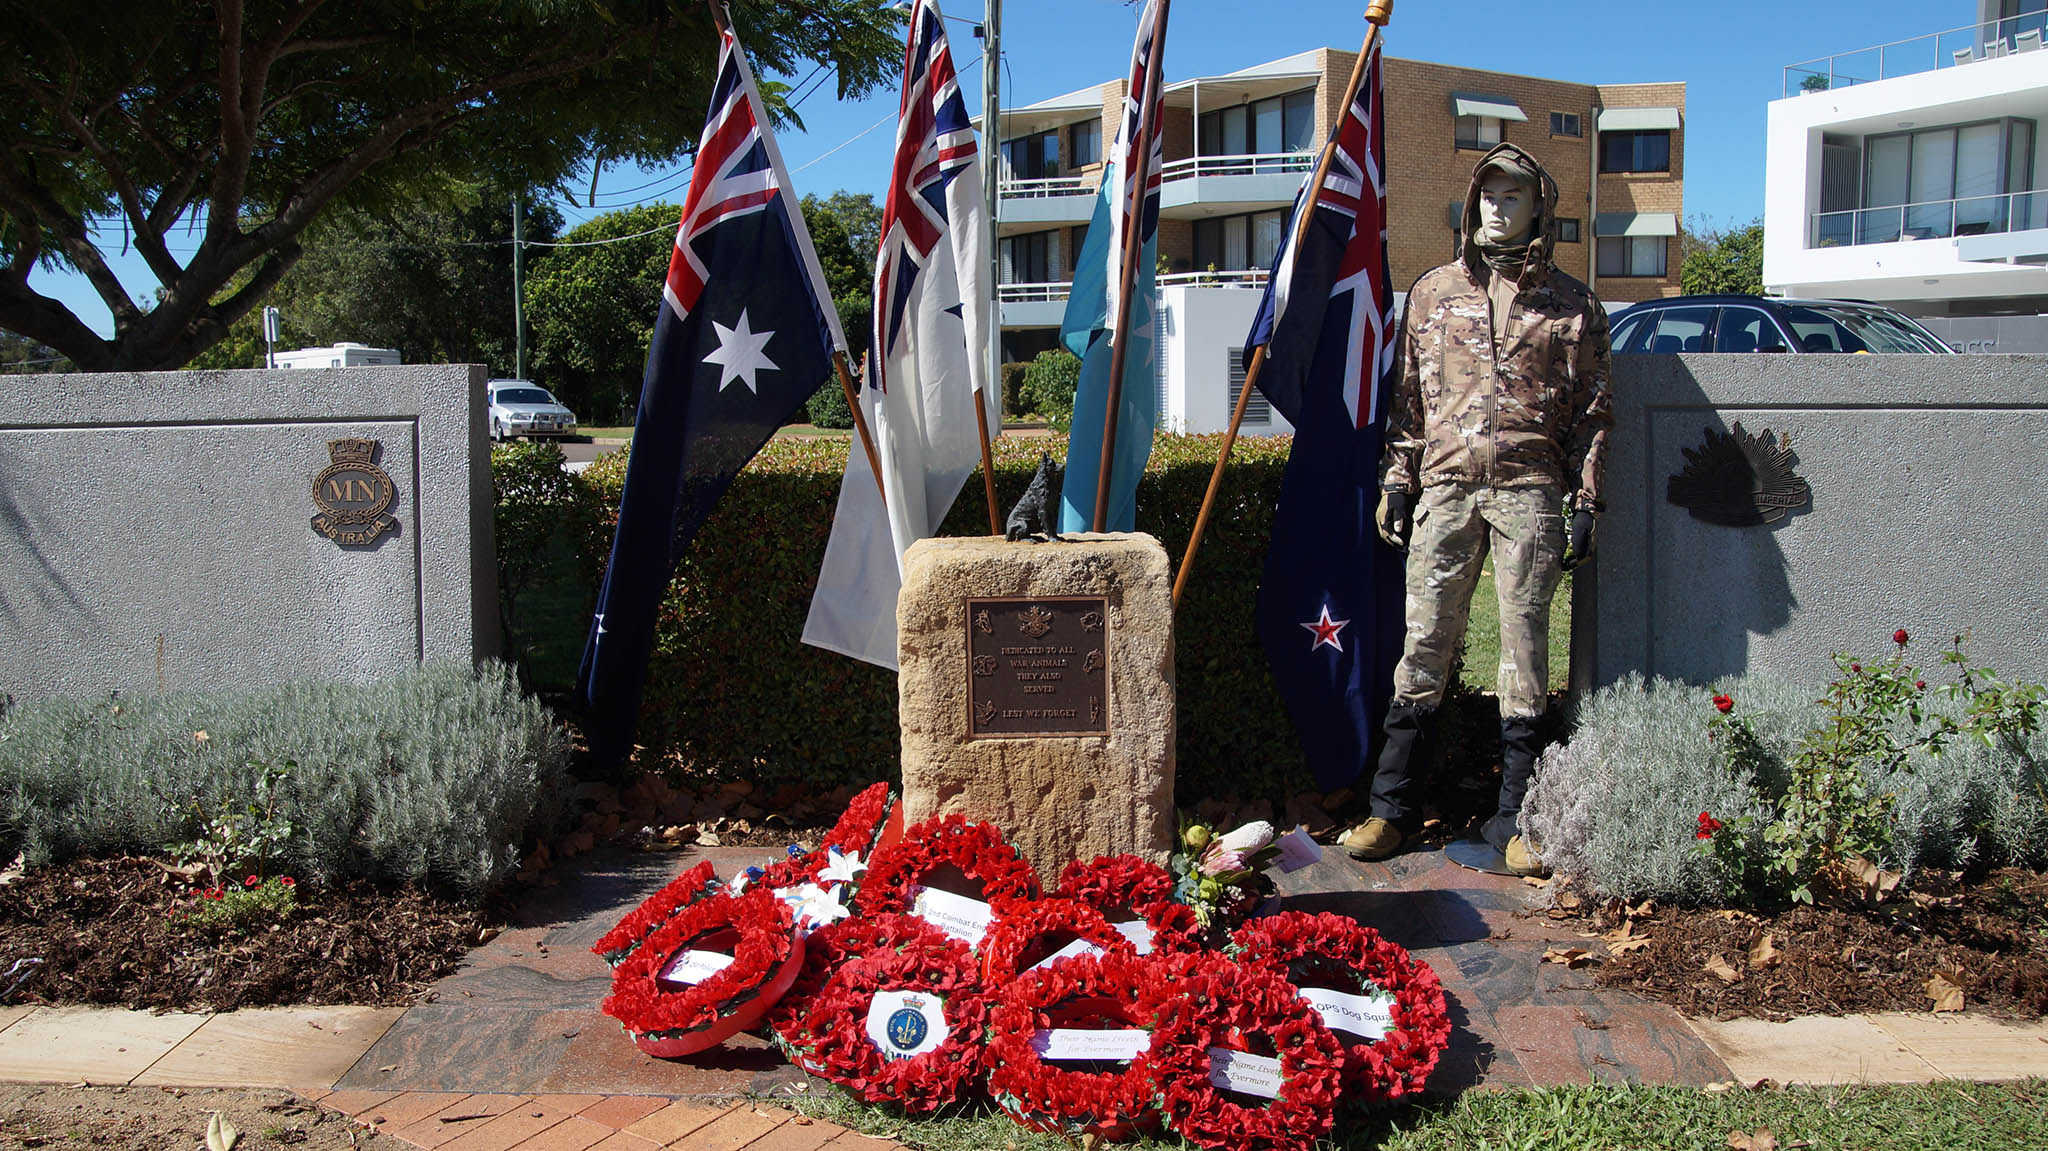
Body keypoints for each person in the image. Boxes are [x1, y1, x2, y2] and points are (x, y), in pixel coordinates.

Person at [1338, 141, 1612, 877]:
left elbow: (1593, 411)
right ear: (1471, 204)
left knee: (1524, 651)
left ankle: (1518, 820)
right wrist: (1399, 480)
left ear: (1538, 210)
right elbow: (1409, 402)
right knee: (1424, 643)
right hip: (1448, 489)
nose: (1498, 205)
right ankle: (1391, 811)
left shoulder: (1574, 306)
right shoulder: (1432, 294)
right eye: (1488, 193)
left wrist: (1586, 498)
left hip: (1529, 492)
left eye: (1514, 195)